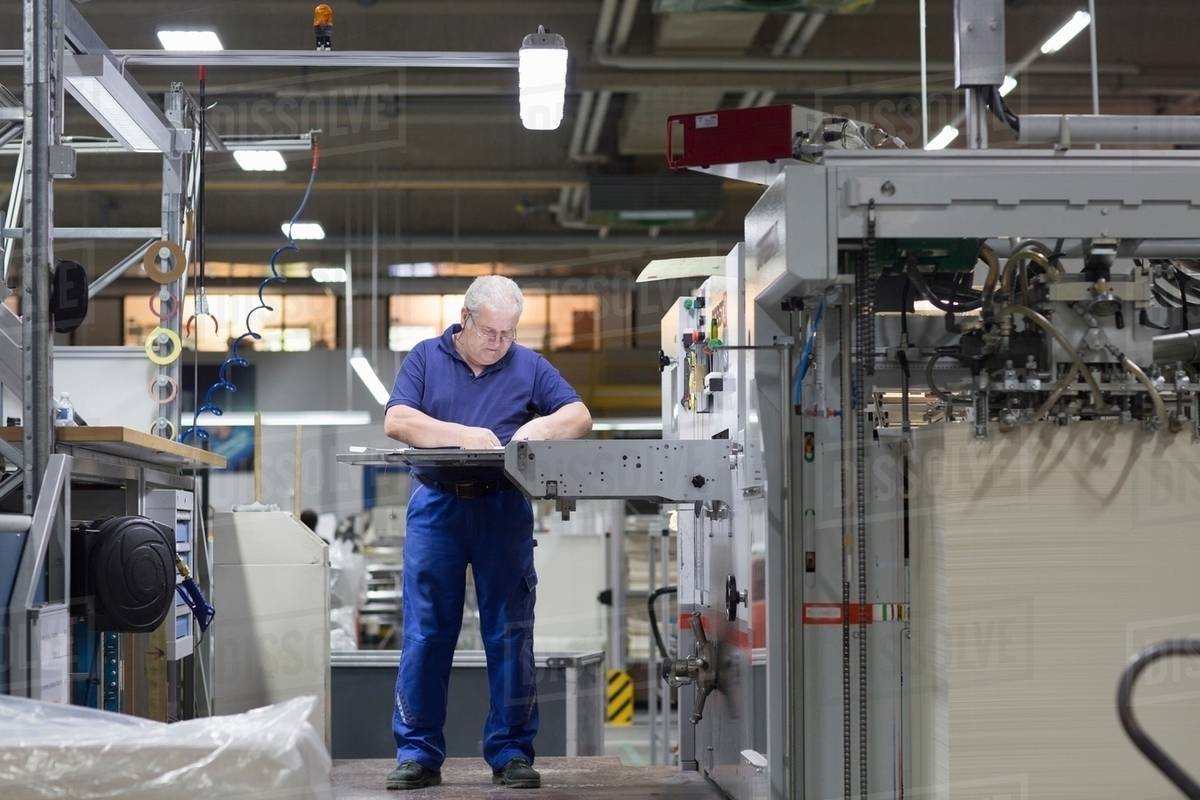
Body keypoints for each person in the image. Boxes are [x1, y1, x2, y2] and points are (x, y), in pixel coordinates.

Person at [382, 275, 592, 790]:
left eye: (509, 333)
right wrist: (463, 436)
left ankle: (511, 751)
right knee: (427, 634)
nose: (499, 343)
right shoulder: (426, 358)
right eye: (490, 332)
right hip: (438, 508)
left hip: (503, 508)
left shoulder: (528, 365)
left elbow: (579, 415)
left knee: (510, 634)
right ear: (465, 318)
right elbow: (398, 420)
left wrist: (539, 429)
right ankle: (418, 752)